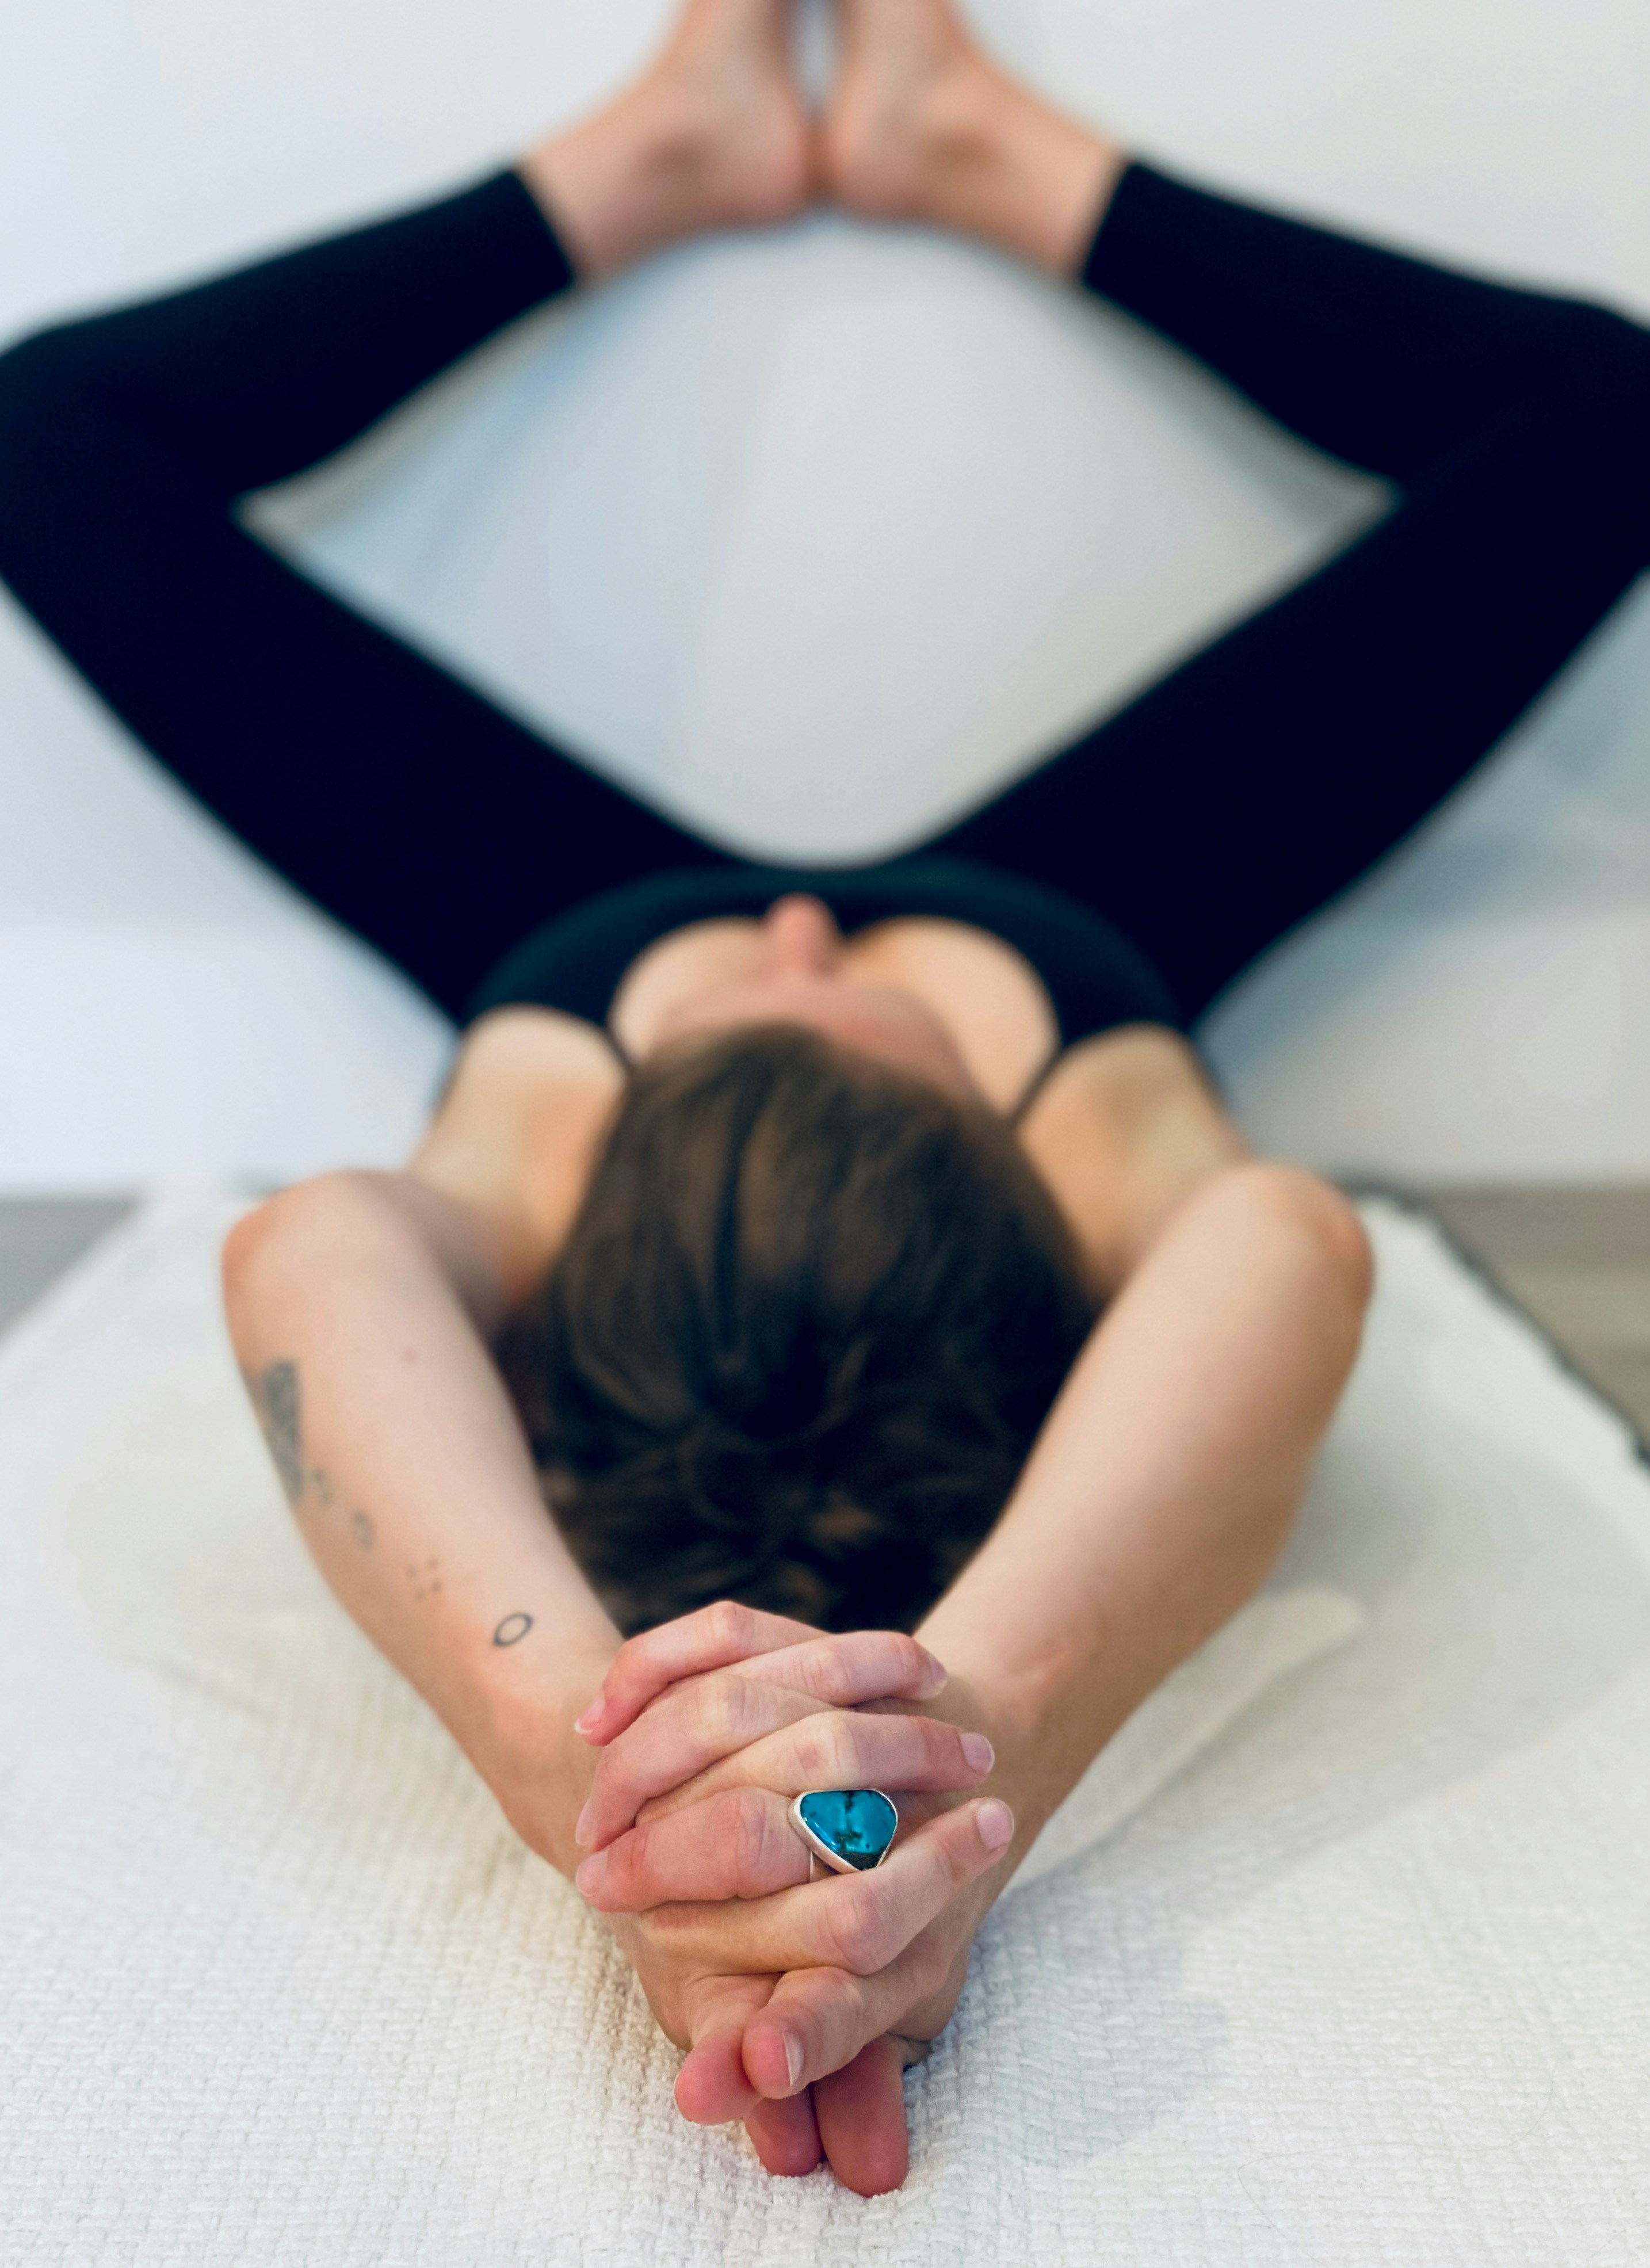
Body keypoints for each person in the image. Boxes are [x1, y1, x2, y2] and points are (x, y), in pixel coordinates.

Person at [1, 0, 1646, 2201]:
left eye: (762, 1005)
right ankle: (983, 144)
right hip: (1074, 920)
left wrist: (563, 1756)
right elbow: (1288, 1251)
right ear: (1007, 1166)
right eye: (841, 1005)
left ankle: (644, 162)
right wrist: (964, 1771)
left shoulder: (541, 1146)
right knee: (1607, 417)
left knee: (39, 443)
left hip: (569, 921)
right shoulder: (1096, 1154)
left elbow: (309, 1249)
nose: (798, 933)